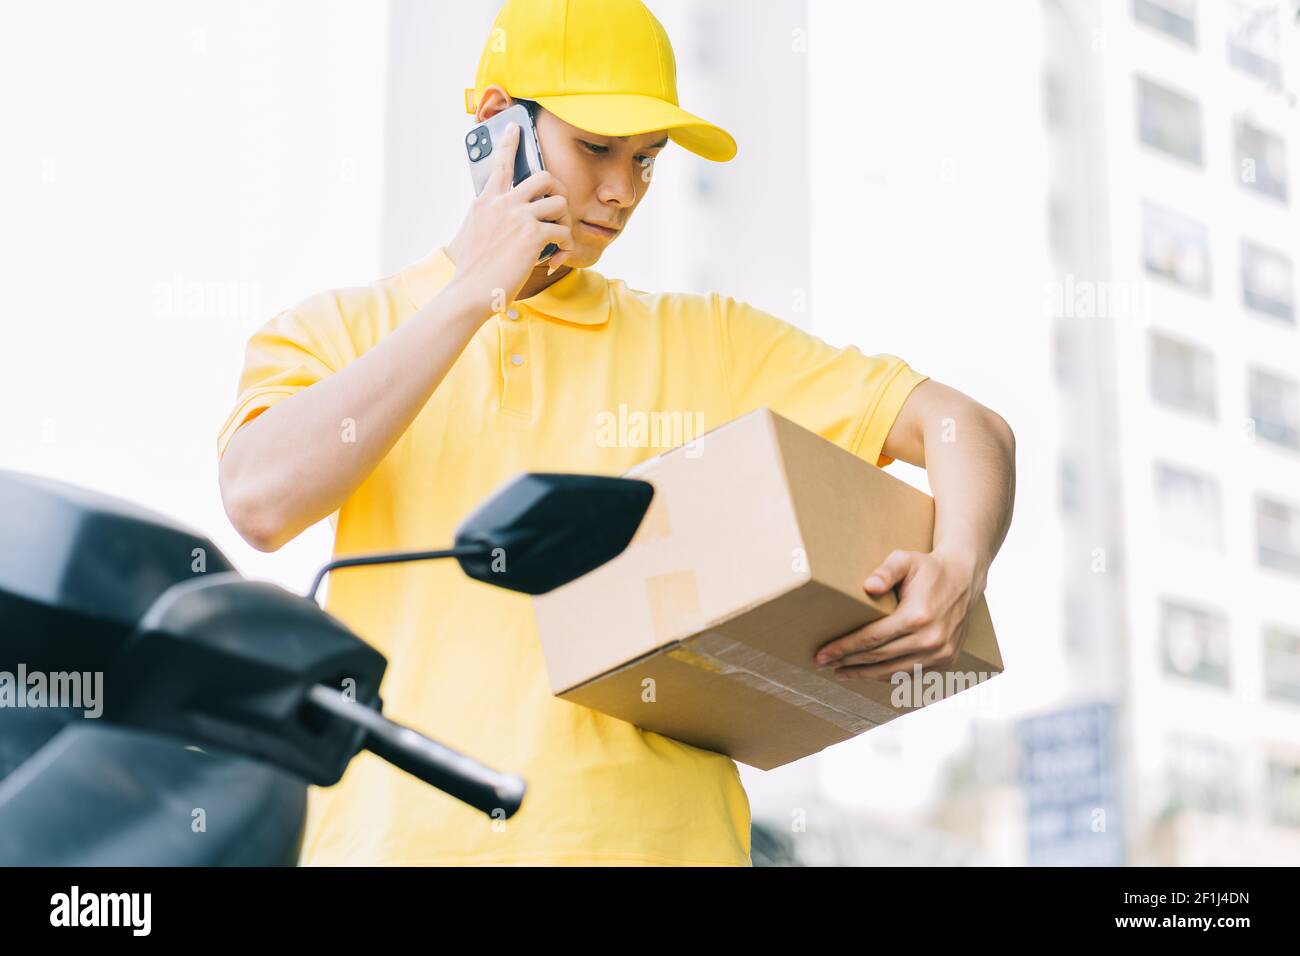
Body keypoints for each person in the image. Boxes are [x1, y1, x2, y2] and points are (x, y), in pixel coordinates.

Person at [216, 0, 1016, 866]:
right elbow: (260, 502)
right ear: (496, 126)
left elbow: (965, 428)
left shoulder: (705, 338)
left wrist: (960, 565)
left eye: (646, 159)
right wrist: (471, 292)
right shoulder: (338, 332)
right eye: (596, 147)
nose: (623, 190)